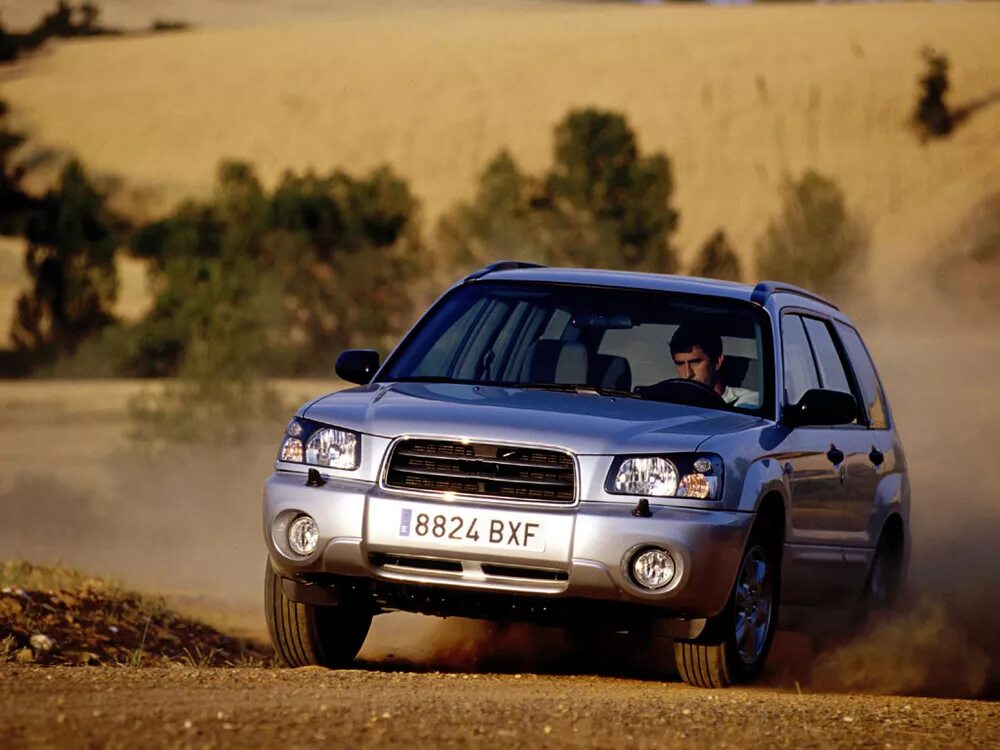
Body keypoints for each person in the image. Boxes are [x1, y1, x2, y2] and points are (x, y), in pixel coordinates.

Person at [669, 324, 758, 408]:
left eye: (695, 362)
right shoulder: (672, 402)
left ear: (717, 362)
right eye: (680, 364)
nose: (687, 374)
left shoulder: (747, 400)